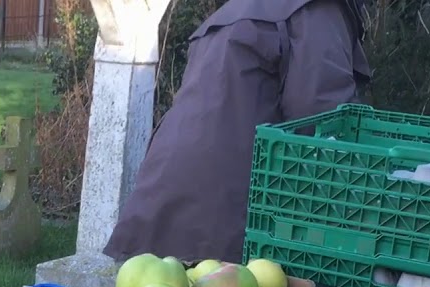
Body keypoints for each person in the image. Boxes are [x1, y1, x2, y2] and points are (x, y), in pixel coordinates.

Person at [103, 0, 372, 264]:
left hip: (157, 202)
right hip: (220, 225)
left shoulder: (242, 8)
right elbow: (323, 129)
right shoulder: (317, 11)